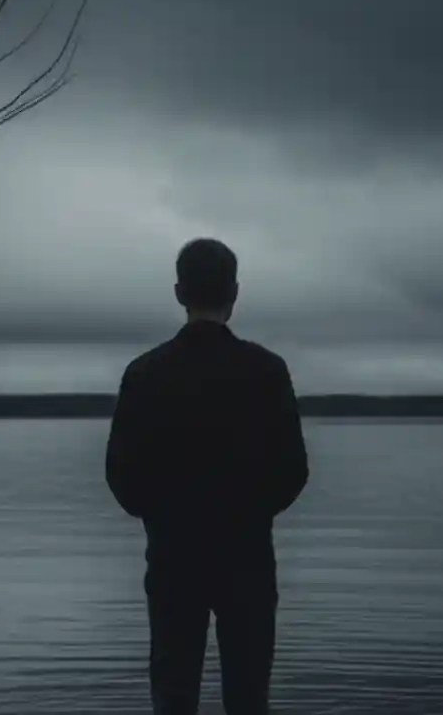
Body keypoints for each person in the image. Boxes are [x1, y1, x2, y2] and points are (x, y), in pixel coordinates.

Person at [105, 238, 309, 715]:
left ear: (179, 292)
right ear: (234, 293)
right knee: (248, 697)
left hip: (174, 557)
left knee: (174, 697)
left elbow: (120, 474)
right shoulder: (266, 370)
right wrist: (251, 512)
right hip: (248, 557)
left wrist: (161, 513)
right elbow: (293, 470)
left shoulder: (145, 373)